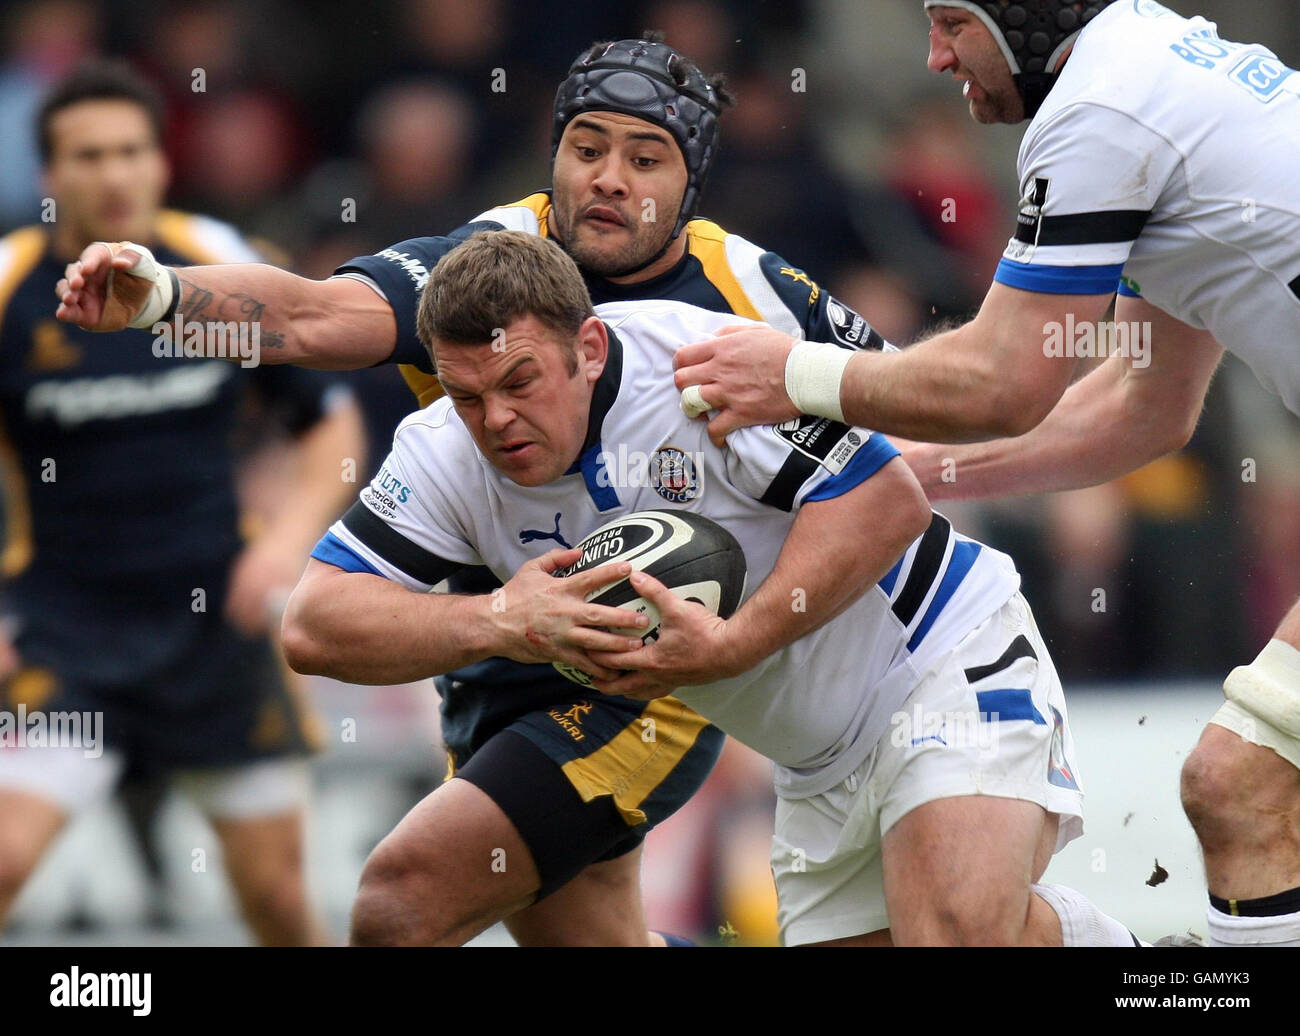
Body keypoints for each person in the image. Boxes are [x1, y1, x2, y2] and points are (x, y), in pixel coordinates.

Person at [53, 36, 900, 946]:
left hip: (641, 656)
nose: (609, 178)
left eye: (643, 158)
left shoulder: (761, 298)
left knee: (401, 902)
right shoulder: (488, 261)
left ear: (688, 184)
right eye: (587, 148)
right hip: (494, 639)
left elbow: (907, 439)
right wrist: (159, 303)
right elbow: (307, 316)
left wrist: (765, 628)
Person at [282, 229, 1142, 947]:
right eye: (467, 396)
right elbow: (314, 623)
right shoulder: (439, 450)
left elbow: (887, 502)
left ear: (587, 348)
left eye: (519, 383)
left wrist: (736, 642)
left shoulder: (692, 365)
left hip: (940, 657)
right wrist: (499, 618)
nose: (496, 419)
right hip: (811, 760)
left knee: (954, 929)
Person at [671, 0, 1300, 947]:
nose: (933, 56)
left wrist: (796, 377)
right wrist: (898, 474)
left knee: (1239, 782)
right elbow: (1142, 408)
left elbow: (1002, 381)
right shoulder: (1151, 72)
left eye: (954, 23)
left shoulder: (1098, 112)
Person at [0, 60, 363, 944]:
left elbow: (329, 430)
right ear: (51, 178)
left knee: (278, 901)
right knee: (5, 860)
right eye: (88, 156)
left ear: (162, 164)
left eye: (131, 151)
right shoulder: (9, 291)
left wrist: (281, 550)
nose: (113, 173)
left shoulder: (217, 270)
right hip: (65, 633)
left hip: (215, 632)